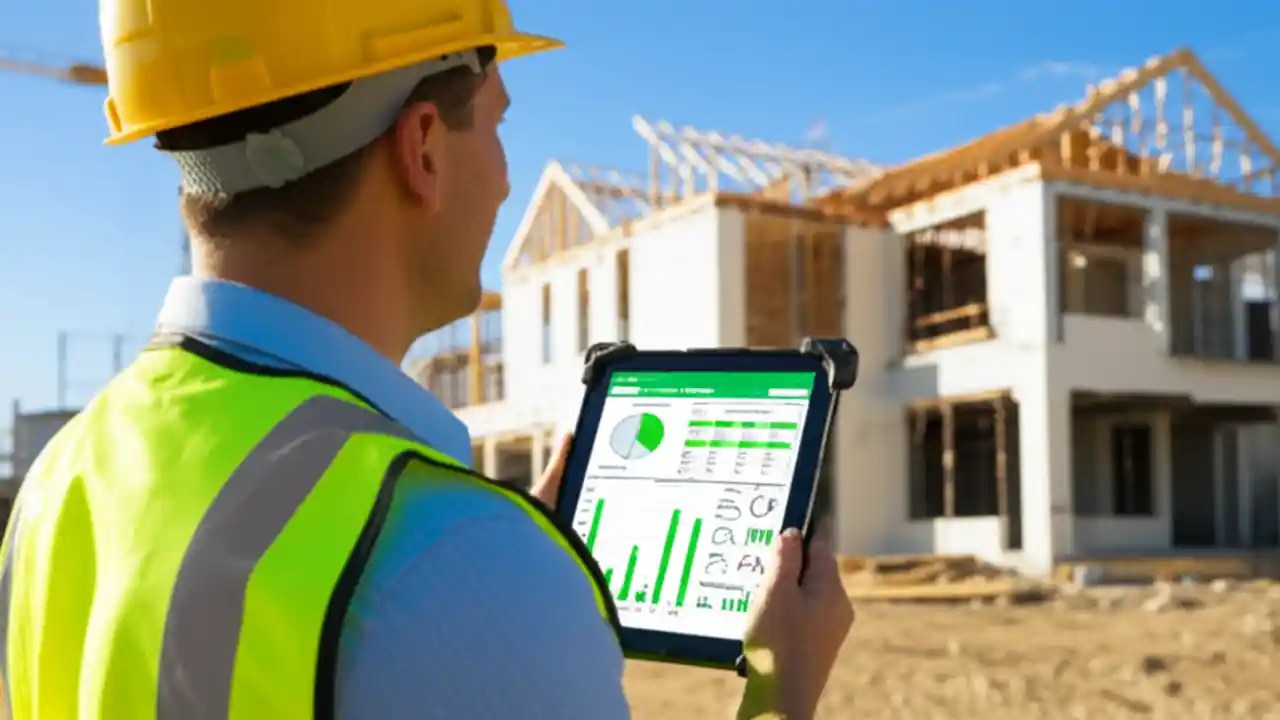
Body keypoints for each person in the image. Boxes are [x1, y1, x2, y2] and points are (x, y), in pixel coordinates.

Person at [0, 0, 855, 718]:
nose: (507, 176)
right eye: (497, 122)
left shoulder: (58, 480)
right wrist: (780, 693)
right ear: (423, 149)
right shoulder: (466, 567)